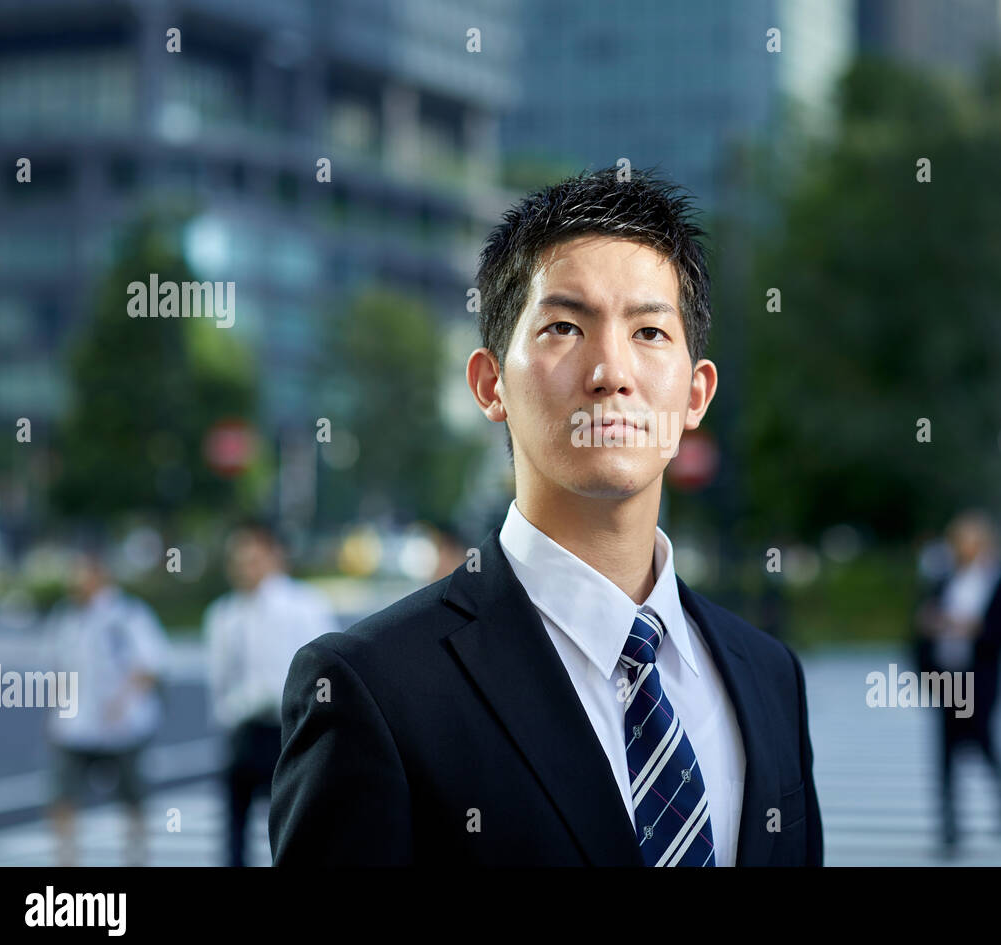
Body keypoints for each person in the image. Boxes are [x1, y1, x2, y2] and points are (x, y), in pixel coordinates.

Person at [270, 167, 823, 866]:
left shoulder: (769, 676)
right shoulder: (374, 691)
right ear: (489, 383)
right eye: (565, 326)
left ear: (695, 395)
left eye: (650, 331)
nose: (610, 371)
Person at [204, 518, 337, 867]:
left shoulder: (303, 606)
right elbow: (219, 678)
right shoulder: (224, 614)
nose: (244, 565)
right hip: (245, 729)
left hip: (290, 728)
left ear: (273, 555)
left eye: (253, 556)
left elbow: (328, 670)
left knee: (295, 821)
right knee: (236, 822)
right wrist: (228, 714)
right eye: (238, 558)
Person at [45, 546, 169, 867]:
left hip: (123, 724)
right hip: (75, 725)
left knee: (132, 799)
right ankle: (66, 861)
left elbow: (151, 664)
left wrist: (123, 699)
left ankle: (137, 859)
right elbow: (57, 665)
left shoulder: (128, 614)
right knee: (63, 797)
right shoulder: (67, 617)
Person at [917, 510, 1001, 857]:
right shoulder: (944, 578)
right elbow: (921, 622)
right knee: (945, 750)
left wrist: (965, 626)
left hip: (981, 678)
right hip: (945, 676)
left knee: (981, 740)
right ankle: (949, 827)